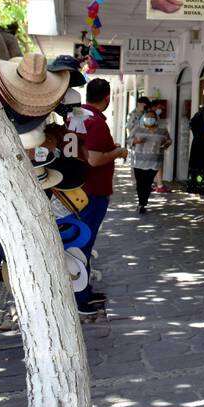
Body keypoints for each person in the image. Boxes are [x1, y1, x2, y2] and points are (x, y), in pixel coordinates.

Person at [79, 77, 128, 315]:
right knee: (84, 243)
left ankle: (83, 291)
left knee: (81, 242)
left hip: (79, 190)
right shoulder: (96, 123)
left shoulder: (78, 117)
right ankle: (81, 298)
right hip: (93, 191)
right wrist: (118, 152)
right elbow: (95, 159)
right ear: (107, 97)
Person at [129, 110, 171, 214]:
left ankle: (143, 202)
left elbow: (169, 141)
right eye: (147, 117)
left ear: (156, 120)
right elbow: (128, 140)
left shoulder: (162, 131)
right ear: (143, 118)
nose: (149, 119)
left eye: (152, 117)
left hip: (154, 161)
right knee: (140, 183)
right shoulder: (137, 129)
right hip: (138, 161)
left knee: (147, 183)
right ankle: (141, 203)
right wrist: (135, 141)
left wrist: (164, 146)